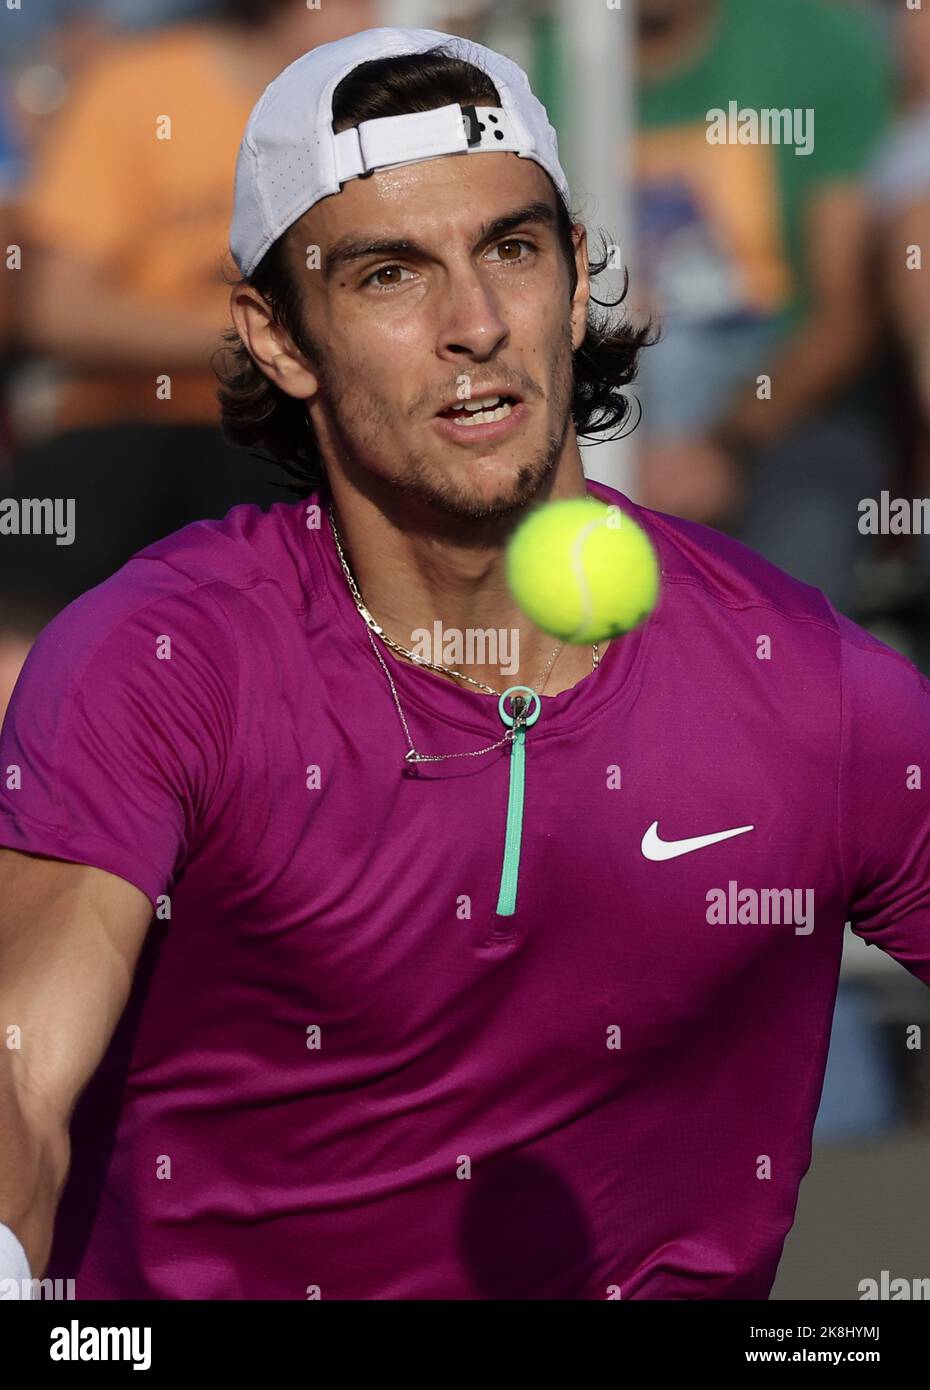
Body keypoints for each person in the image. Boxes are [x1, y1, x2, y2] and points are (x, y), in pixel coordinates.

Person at [0, 26, 928, 1302]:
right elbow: (17, 1065)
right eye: (391, 275)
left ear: (576, 272)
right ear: (278, 338)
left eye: (513, 249)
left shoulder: (815, 689)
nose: (476, 324)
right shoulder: (158, 661)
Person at [11, 0, 377, 604]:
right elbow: (57, 310)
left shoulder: (378, 109)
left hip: (294, 436)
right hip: (129, 428)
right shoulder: (138, 88)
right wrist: (263, 337)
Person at [633, 0, 893, 613]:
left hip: (782, 412)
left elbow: (845, 315)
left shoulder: (817, 41)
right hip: (592, 412)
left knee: (795, 579)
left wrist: (727, 444)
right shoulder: (527, 50)